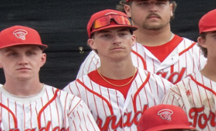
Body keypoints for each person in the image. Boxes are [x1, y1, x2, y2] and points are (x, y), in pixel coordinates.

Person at [78, 0, 207, 86]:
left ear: (171, 8)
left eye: (160, 3)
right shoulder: (100, 56)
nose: (153, 9)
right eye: (143, 3)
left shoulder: (199, 53)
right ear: (127, 10)